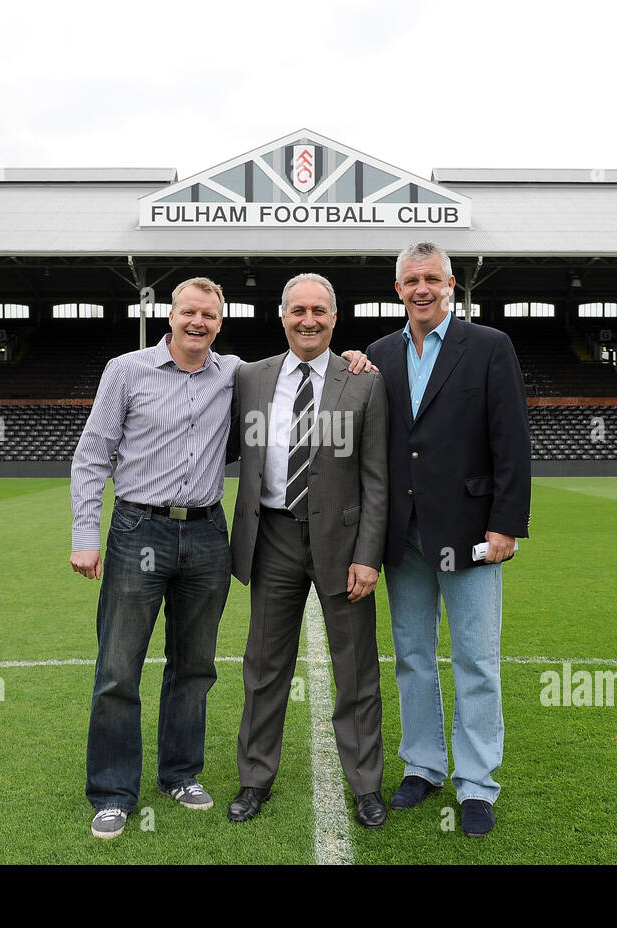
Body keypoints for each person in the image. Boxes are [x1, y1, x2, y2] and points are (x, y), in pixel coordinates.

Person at [70, 276, 375, 840]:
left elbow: (312, 371)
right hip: (138, 527)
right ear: (171, 315)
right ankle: (113, 791)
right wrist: (84, 533)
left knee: (195, 666)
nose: (198, 323)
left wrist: (353, 355)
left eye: (208, 316)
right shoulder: (126, 370)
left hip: (208, 532)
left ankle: (180, 774)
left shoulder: (233, 375)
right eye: (189, 313)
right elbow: (92, 455)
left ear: (221, 320)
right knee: (118, 667)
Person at [365, 241, 532, 838]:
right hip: (403, 535)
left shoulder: (489, 347)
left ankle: (478, 783)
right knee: (412, 656)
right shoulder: (380, 354)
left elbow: (511, 439)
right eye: (411, 279)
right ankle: (424, 765)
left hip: (468, 532)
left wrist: (506, 523)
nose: (422, 288)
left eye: (432, 278)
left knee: (476, 661)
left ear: (451, 284)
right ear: (398, 289)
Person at [225, 273, 389, 829]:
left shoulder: (364, 381)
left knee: (357, 669)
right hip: (271, 536)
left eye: (319, 310)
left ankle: (366, 785)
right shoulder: (249, 377)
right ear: (282, 316)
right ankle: (253, 779)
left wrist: (368, 554)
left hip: (343, 545)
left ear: (335, 318)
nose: (309, 320)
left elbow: (377, 478)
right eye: (298, 310)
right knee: (265, 667)